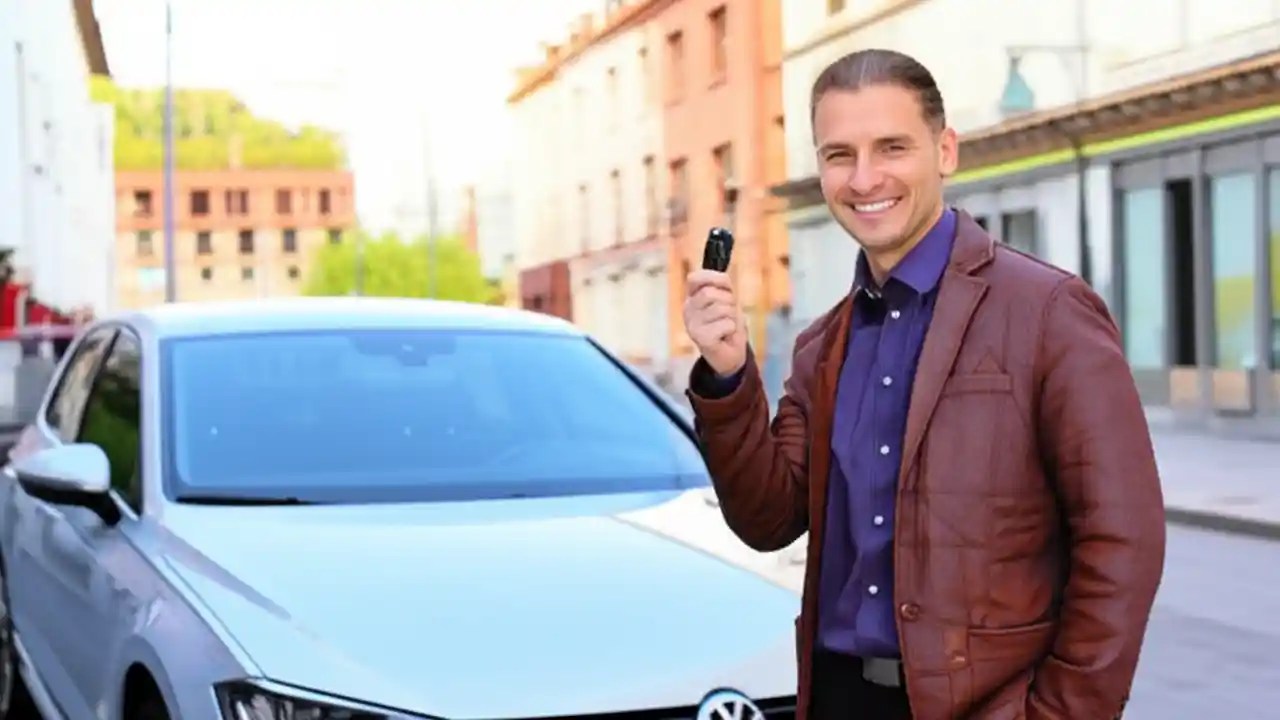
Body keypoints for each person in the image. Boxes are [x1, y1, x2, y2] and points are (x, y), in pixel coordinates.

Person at [681, 48, 1165, 720]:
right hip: (840, 698)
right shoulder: (823, 345)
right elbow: (769, 520)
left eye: (892, 147)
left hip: (988, 704)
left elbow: (1122, 539)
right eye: (839, 154)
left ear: (945, 151)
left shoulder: (1048, 313)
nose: (865, 177)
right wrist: (728, 374)